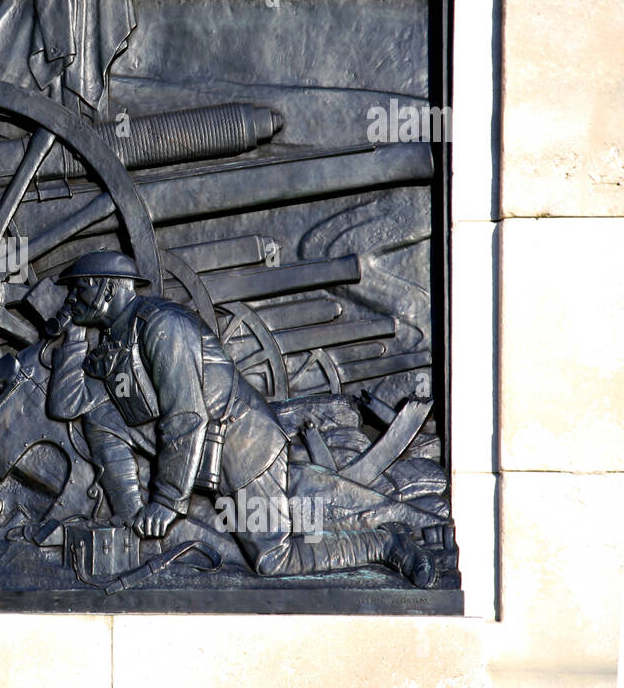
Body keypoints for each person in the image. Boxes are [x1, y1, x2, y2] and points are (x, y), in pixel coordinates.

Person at [47, 250, 440, 587]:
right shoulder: (116, 337)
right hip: (199, 456)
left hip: (241, 442)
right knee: (99, 415)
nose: (71, 298)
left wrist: (167, 501)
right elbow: (68, 406)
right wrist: (73, 337)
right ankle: (127, 516)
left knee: (273, 559)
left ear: (109, 287)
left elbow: (186, 416)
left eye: (79, 288)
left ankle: (386, 543)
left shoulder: (160, 325)